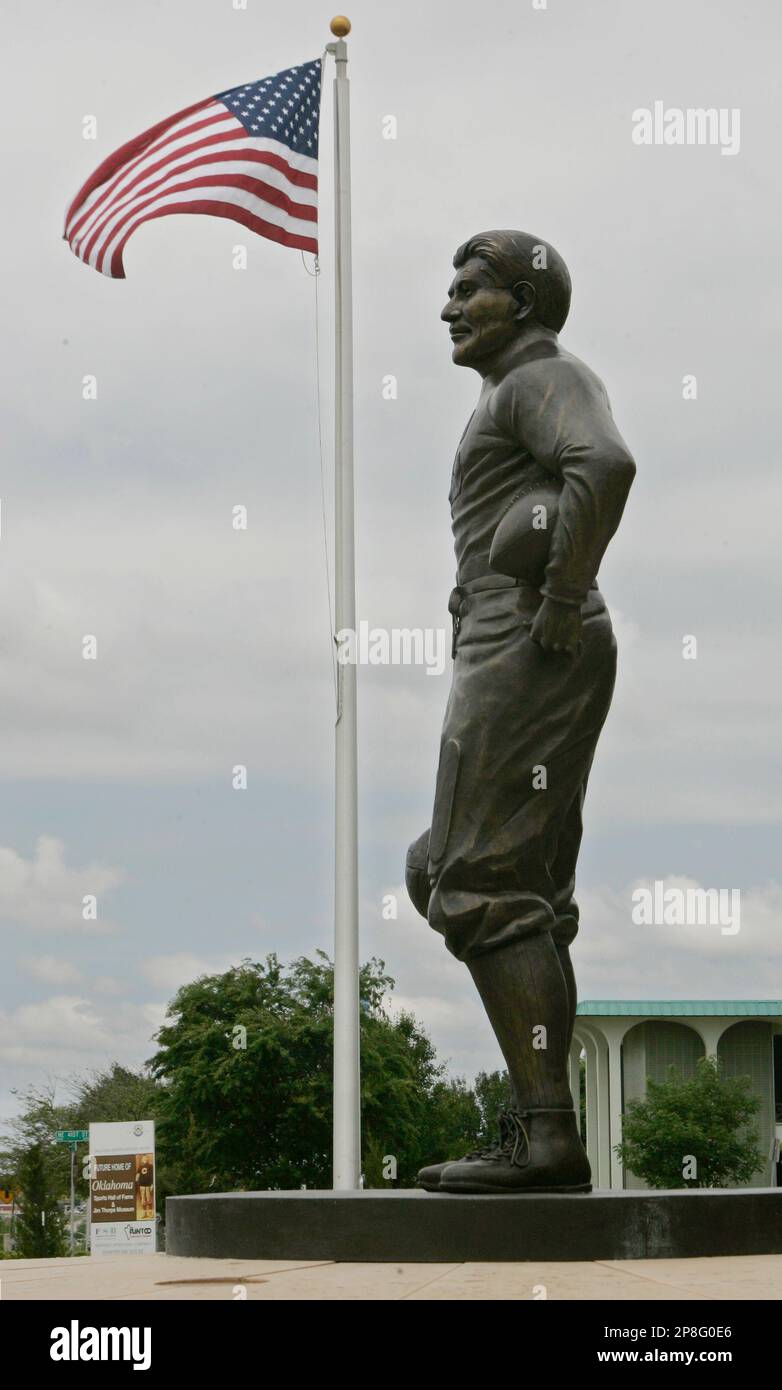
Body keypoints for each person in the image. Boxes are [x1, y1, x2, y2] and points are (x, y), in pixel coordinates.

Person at [406, 230, 635, 1193]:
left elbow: (606, 465)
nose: (452, 307)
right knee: (470, 876)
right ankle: (544, 1127)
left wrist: (552, 599)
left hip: (530, 637)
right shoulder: (509, 394)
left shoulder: (541, 377)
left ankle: (546, 1138)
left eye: (472, 291)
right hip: (512, 636)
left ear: (526, 304)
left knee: (475, 877)